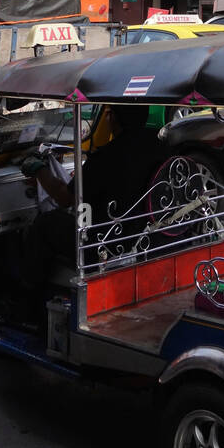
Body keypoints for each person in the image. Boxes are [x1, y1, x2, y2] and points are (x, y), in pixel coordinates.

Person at [15, 104, 161, 322]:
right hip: (147, 235)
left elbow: (64, 198)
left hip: (105, 245)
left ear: (113, 118)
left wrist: (39, 169)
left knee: (46, 224)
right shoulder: (158, 145)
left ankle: (26, 303)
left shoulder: (107, 156)